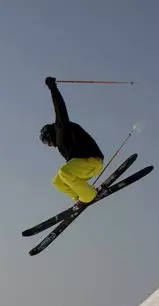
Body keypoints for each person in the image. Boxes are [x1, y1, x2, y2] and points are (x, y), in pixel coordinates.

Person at [40, 76, 105, 207]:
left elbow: (60, 109)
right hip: (83, 166)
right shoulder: (62, 146)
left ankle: (89, 195)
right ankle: (80, 197)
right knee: (57, 181)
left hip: (92, 160)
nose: (50, 145)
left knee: (64, 172)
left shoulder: (61, 128)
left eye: (47, 142)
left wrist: (52, 88)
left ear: (49, 134)